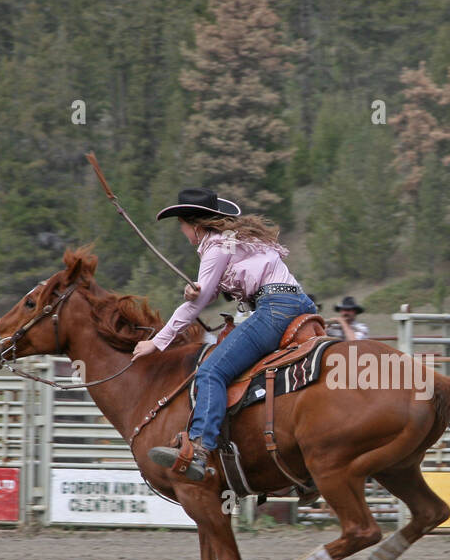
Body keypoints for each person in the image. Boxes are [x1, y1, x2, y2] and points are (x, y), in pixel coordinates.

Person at [132, 187, 316, 481]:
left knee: (210, 372)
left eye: (182, 225)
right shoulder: (232, 242)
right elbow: (219, 284)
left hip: (274, 309)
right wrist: (198, 289)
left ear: (193, 225)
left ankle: (200, 448)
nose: (183, 232)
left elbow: (196, 307)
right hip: (296, 303)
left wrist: (157, 342)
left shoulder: (215, 247)